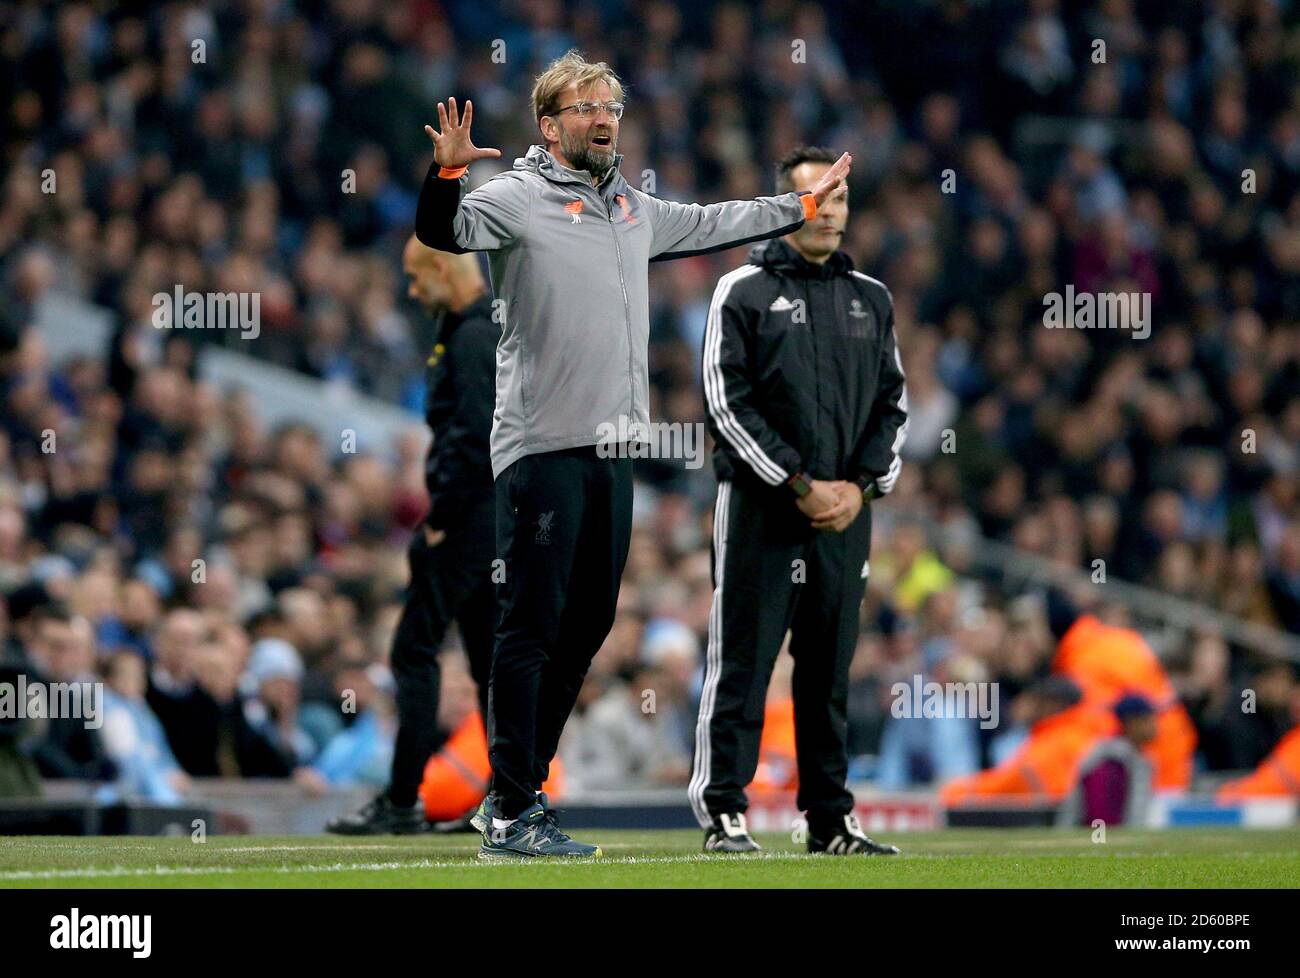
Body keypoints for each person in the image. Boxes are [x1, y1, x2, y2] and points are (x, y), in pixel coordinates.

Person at [416, 49, 850, 859]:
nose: (602, 115)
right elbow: (445, 231)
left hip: (615, 448)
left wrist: (796, 205)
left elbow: (719, 220)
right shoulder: (515, 194)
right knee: (533, 624)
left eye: (610, 103)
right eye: (583, 106)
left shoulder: (633, 209)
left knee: (588, 625)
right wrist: (444, 178)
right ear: (549, 126)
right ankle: (512, 805)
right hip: (542, 443)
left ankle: (514, 796)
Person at [690, 147, 904, 855]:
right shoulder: (741, 291)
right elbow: (727, 404)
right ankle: (724, 809)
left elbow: (891, 406)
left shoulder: (872, 298)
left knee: (829, 671)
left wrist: (860, 487)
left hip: (845, 515)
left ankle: (830, 820)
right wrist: (800, 484)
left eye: (840, 199)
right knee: (743, 665)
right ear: (786, 207)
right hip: (761, 510)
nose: (830, 211)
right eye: (815, 197)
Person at [327, 236, 498, 834]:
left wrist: (443, 516)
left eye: (417, 275)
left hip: (468, 518)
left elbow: (475, 438)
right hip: (486, 519)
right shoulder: (470, 329)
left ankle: (402, 800)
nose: (412, 288)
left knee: (413, 649)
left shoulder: (472, 335)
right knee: (487, 659)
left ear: (444, 269)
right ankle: (507, 800)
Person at [1056, 694, 1157, 828]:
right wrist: (1103, 845)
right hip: (1094, 842)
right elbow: (1100, 818)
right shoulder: (1109, 763)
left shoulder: (1136, 759)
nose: (1155, 725)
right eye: (1148, 719)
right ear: (1131, 722)